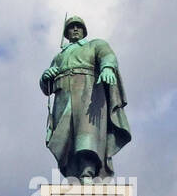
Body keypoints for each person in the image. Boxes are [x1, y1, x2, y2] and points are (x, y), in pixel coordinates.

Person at [40, 15, 131, 180]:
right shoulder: (58, 57)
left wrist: (107, 68)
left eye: (78, 26)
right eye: (71, 27)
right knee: (65, 138)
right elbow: (46, 88)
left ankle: (86, 173)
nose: (75, 29)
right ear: (66, 32)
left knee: (87, 134)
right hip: (63, 97)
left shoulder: (95, 44)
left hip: (88, 94)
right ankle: (73, 174)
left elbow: (107, 55)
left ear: (83, 30)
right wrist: (45, 77)